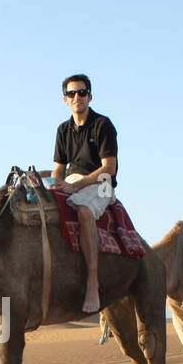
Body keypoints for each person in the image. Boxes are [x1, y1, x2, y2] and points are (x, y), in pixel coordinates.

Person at [50, 73, 118, 314]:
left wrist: (75, 187)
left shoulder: (102, 125)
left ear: (90, 96)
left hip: (99, 183)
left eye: (81, 92)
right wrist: (53, 183)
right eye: (71, 93)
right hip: (71, 181)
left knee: (85, 211)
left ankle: (92, 282)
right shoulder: (62, 130)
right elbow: (58, 168)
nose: (76, 97)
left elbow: (109, 168)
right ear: (65, 99)